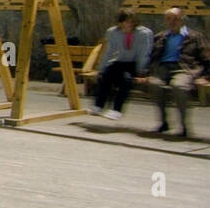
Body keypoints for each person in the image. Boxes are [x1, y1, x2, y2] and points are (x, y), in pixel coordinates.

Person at [143, 8, 210, 136]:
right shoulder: (161, 36)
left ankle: (183, 125)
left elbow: (206, 56)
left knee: (178, 86)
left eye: (176, 18)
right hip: (163, 67)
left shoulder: (194, 36)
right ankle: (164, 122)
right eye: (169, 19)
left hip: (184, 68)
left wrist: (206, 76)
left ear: (182, 19)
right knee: (154, 84)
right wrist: (145, 74)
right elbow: (151, 56)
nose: (172, 22)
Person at [88, 11, 152, 119]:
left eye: (131, 22)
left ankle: (117, 109)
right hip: (120, 61)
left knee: (126, 80)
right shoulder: (113, 32)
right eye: (125, 22)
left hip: (134, 63)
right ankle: (98, 105)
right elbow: (109, 51)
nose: (128, 25)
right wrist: (101, 68)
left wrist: (141, 70)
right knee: (105, 76)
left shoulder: (143, 33)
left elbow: (144, 53)